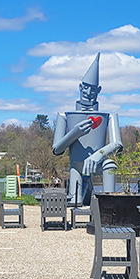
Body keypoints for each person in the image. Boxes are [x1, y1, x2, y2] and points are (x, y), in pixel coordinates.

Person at [52, 53, 122, 206]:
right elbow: (57, 149)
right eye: (85, 88)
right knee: (75, 202)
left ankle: (108, 207)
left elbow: (117, 144)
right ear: (80, 87)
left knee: (110, 165)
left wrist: (99, 154)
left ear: (99, 90)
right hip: (77, 165)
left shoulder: (109, 116)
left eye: (93, 89)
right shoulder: (65, 116)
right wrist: (75, 132)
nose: (88, 93)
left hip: (99, 162)